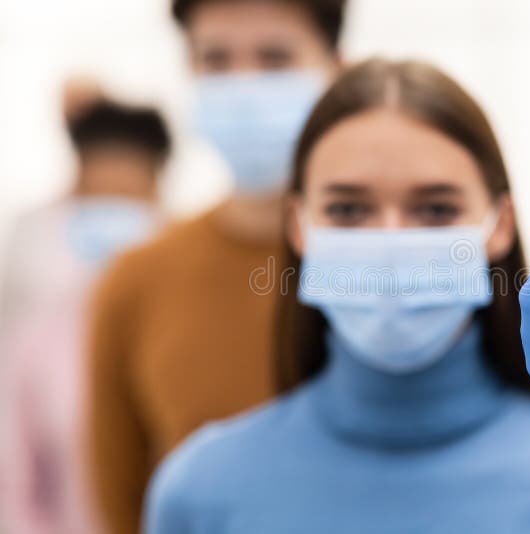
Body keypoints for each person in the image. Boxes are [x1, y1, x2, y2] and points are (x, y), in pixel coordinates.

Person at [144, 59, 530, 534]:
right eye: (348, 209)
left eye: (437, 209)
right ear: (299, 226)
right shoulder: (201, 491)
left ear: (500, 225)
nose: (390, 242)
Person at [85, 2, 346, 533]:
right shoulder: (135, 279)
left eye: (275, 58)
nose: (243, 85)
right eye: (216, 59)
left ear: (335, 70)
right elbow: (120, 504)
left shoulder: (395, 269)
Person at [0, 97, 170, 534]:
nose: (108, 212)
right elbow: (18, 484)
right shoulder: (39, 338)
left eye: (125, 197)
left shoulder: (188, 321)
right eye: (94, 196)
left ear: (159, 197)